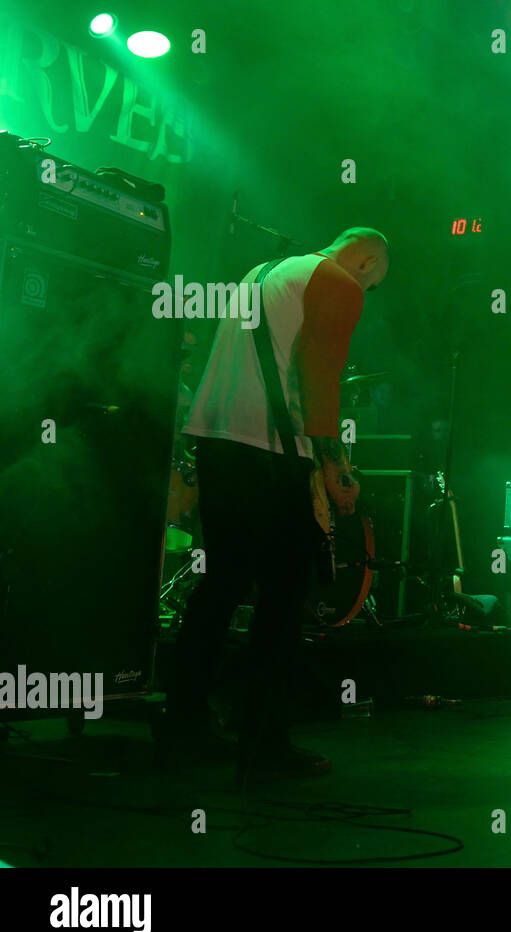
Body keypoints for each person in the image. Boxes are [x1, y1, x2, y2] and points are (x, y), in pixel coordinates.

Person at [164, 228, 388, 781]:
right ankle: (263, 742)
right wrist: (336, 465)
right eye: (372, 281)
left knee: (220, 588)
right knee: (285, 596)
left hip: (217, 441)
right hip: (268, 449)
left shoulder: (262, 273)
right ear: (364, 259)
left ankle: (182, 725)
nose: (367, 291)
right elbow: (321, 378)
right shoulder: (338, 282)